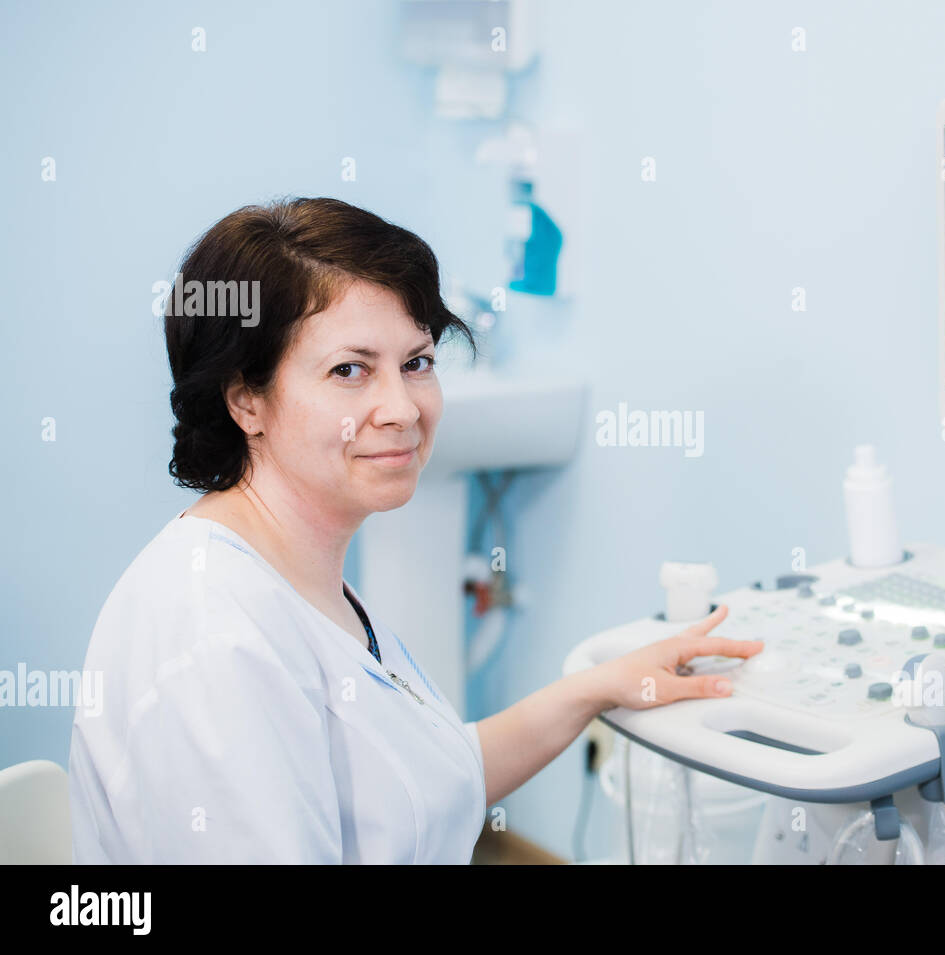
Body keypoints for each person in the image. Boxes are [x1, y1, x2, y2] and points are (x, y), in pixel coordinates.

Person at [68, 197, 761, 863]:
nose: (401, 407)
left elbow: (426, 788)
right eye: (350, 370)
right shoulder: (216, 639)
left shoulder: (300, 577)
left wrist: (597, 687)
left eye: (417, 363)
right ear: (247, 398)